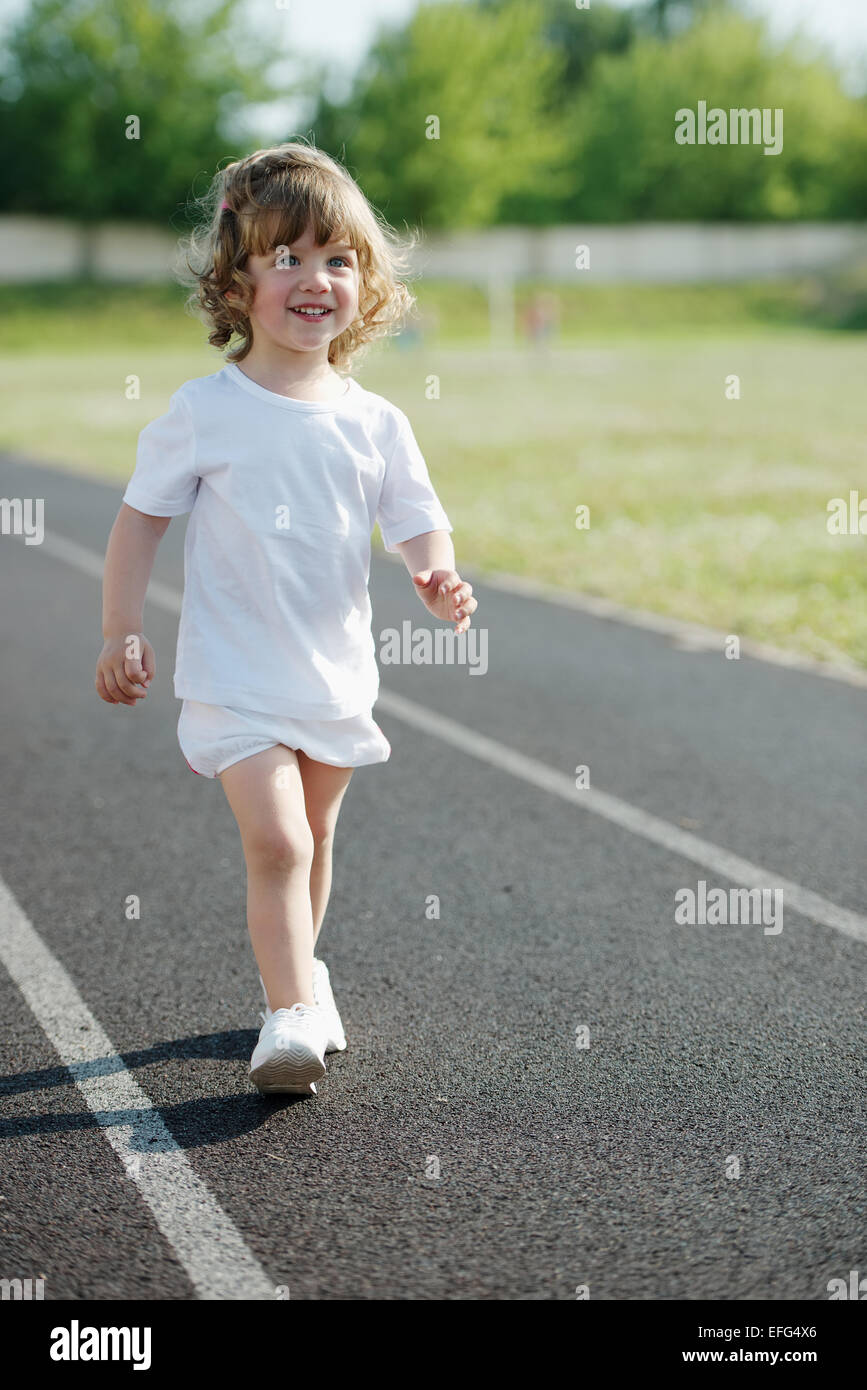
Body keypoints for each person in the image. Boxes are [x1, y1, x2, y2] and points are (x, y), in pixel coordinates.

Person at [95, 142, 478, 1097]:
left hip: (334, 675)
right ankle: (289, 1016)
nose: (316, 279)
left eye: (338, 259)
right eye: (288, 258)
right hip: (234, 678)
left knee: (315, 843)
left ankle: (304, 979)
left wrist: (437, 579)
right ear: (238, 279)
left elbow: (417, 520)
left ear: (368, 281)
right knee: (277, 843)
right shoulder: (205, 411)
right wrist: (119, 629)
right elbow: (139, 521)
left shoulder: (376, 420)